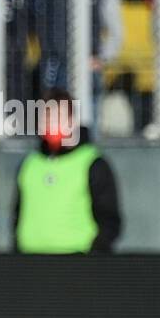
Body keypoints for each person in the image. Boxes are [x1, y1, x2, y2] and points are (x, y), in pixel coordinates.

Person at [12, 90, 121, 254]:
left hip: (77, 265)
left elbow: (109, 220)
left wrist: (95, 253)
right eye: (46, 118)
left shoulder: (92, 163)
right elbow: (17, 215)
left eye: (57, 118)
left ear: (71, 121)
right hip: (31, 265)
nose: (50, 124)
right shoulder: (29, 164)